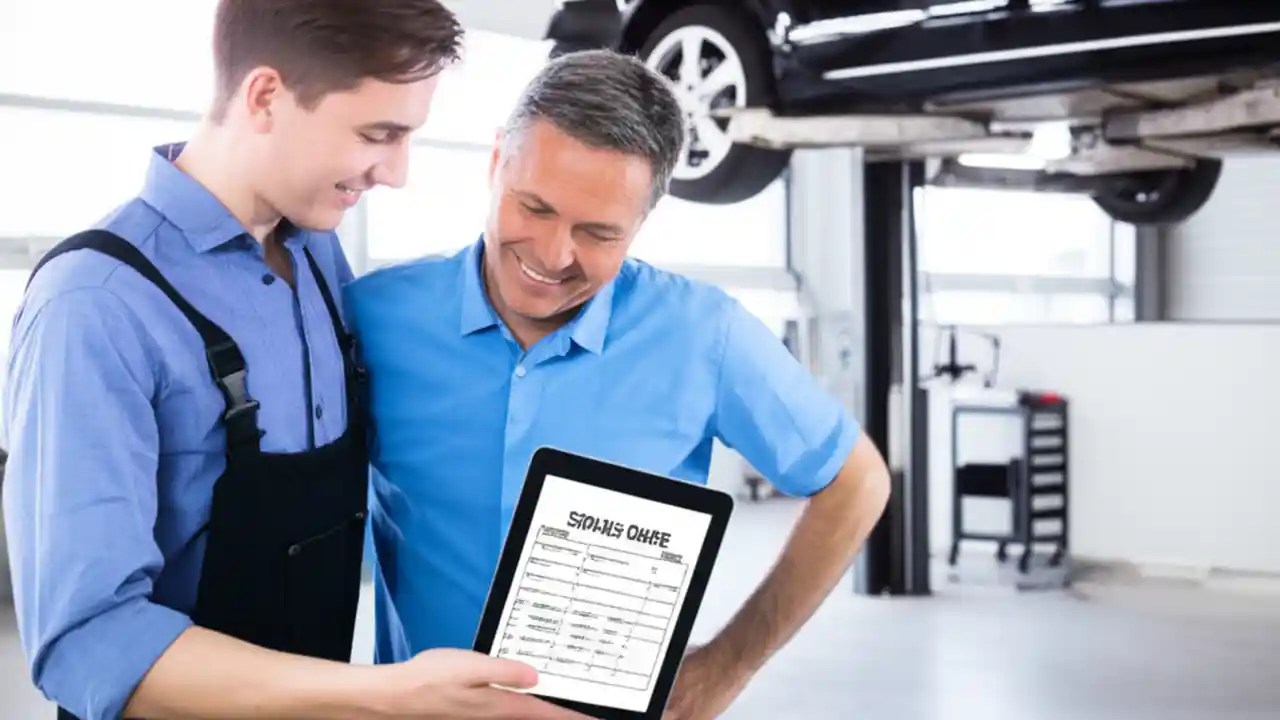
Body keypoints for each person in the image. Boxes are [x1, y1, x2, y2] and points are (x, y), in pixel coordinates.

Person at [1, 2, 584, 719]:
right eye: (379, 134)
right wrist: (389, 697)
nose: (396, 173)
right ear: (266, 97)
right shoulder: (95, 304)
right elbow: (86, 642)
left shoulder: (316, 254)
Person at [344, 50, 893, 719]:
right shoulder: (375, 318)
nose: (552, 255)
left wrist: (727, 667)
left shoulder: (704, 334)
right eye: (534, 208)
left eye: (598, 232)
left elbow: (857, 481)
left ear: (643, 220)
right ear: (496, 165)